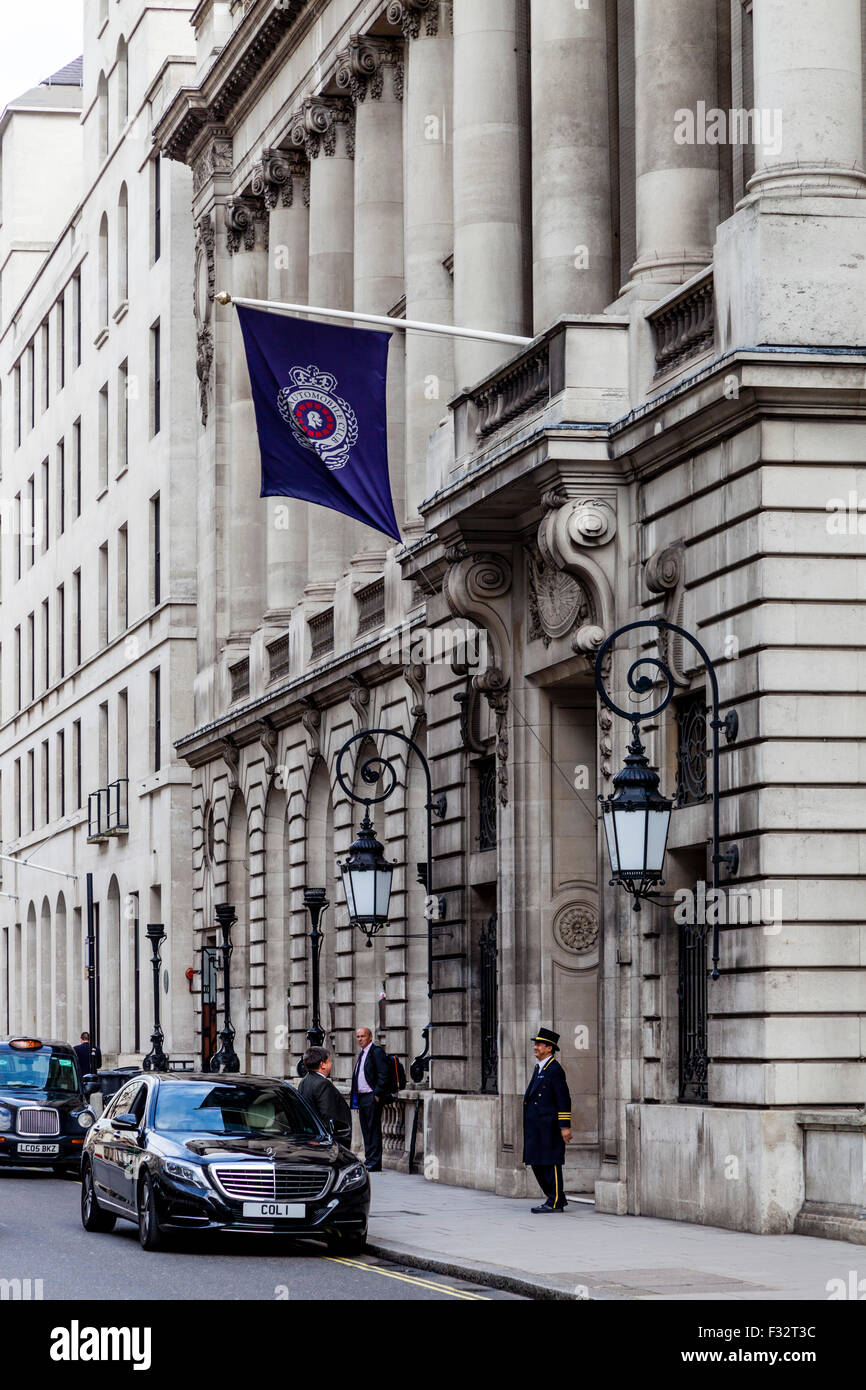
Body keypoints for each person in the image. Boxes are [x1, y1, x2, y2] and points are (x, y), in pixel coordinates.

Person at [523, 1028, 572, 1213]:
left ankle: (555, 1201)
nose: (535, 1047)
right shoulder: (540, 1068)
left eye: (539, 1044)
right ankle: (555, 1197)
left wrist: (564, 1126)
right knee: (536, 1161)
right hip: (537, 1126)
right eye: (535, 1044)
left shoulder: (554, 1070)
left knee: (551, 1162)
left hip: (549, 1126)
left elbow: (563, 1100)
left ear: (549, 1048)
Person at [350, 1026, 389, 1172]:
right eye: (358, 1037)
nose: (360, 1039)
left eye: (363, 1036)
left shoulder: (376, 1052)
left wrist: (377, 1094)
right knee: (366, 1130)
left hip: (371, 1097)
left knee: (373, 1130)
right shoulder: (361, 1054)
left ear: (370, 1037)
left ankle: (375, 1162)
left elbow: (383, 1074)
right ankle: (369, 1160)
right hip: (361, 1097)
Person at [297, 1046, 352, 1145]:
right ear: (322, 1065)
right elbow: (327, 1115)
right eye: (329, 1061)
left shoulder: (304, 1081)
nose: (331, 1064)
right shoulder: (323, 1084)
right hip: (323, 1141)